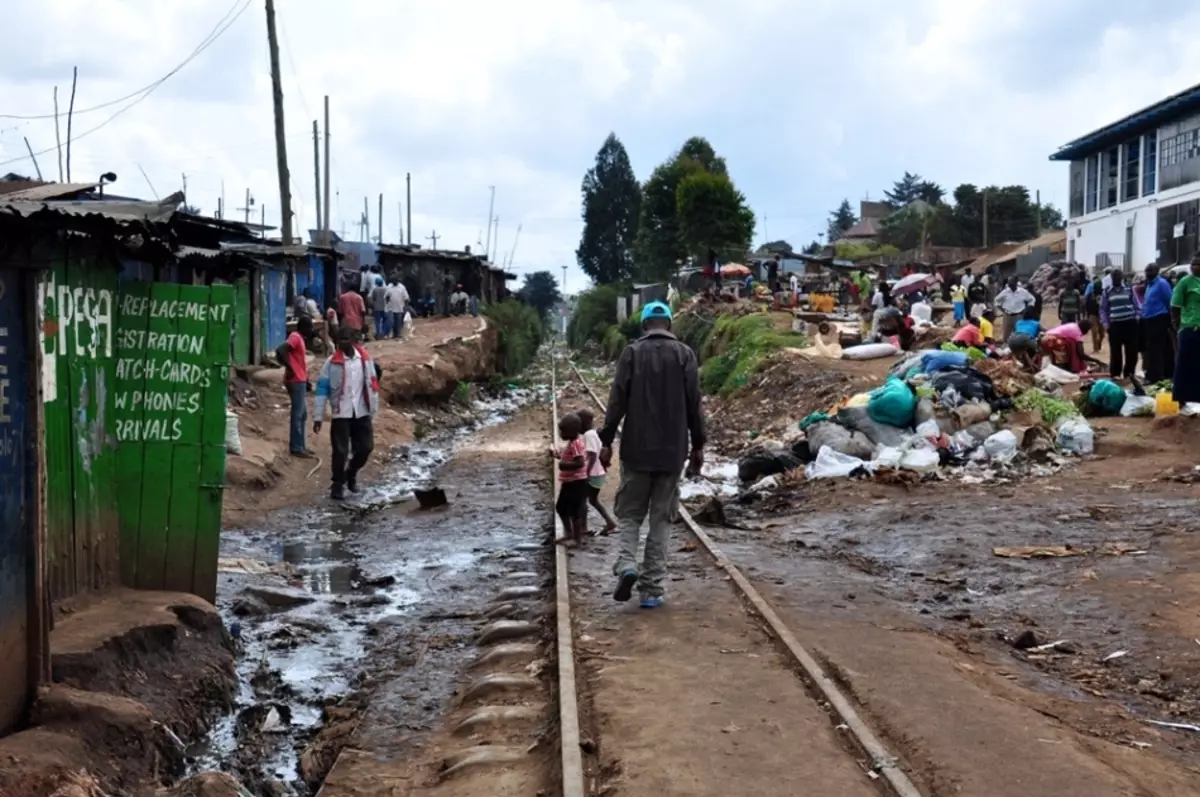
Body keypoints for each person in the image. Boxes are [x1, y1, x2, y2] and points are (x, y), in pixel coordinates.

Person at [599, 301, 704, 609]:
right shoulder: (685, 355)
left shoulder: (631, 353)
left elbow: (616, 400)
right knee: (661, 519)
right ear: (668, 324)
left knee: (630, 514)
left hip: (636, 449)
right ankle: (652, 589)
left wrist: (606, 441)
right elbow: (694, 405)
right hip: (672, 453)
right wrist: (698, 445)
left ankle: (627, 564)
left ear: (645, 325)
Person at [313, 327, 380, 500]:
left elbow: (373, 383)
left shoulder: (365, 359)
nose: (342, 343)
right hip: (341, 412)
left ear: (353, 339)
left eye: (345, 339)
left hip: (362, 411)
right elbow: (322, 389)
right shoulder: (331, 363)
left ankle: (351, 472)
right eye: (339, 339)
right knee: (340, 451)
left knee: (366, 447)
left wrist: (374, 407)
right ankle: (337, 484)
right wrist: (318, 416)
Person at [277, 316, 315, 458]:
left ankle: (301, 445)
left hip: (300, 379)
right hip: (295, 380)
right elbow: (281, 350)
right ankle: (296, 447)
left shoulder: (299, 338)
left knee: (302, 414)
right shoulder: (295, 337)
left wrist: (307, 379)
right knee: (298, 414)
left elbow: (299, 362)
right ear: (304, 327)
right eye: (310, 327)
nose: (311, 330)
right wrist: (290, 368)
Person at [576, 408, 617, 535]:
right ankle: (610, 522)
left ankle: (583, 527)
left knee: (582, 499)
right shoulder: (592, 433)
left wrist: (586, 473)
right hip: (598, 473)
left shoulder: (588, 435)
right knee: (593, 500)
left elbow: (593, 455)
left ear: (583, 424)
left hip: (593, 474)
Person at [552, 412, 589, 546]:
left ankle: (577, 538)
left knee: (574, 511)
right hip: (569, 482)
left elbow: (580, 463)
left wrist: (563, 465)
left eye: (562, 430)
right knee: (561, 508)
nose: (561, 433)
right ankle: (568, 533)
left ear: (572, 431)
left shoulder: (576, 444)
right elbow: (571, 457)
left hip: (576, 482)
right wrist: (559, 456)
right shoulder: (573, 442)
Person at [1171, 254, 1200, 404]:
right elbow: (1175, 306)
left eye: (1197, 264)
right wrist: (1177, 326)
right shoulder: (1185, 282)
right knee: (1184, 364)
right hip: (1189, 328)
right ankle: (1181, 399)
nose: (1194, 267)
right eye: (1192, 264)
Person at [1100, 270, 1140, 379]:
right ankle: (1116, 375)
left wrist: (1137, 318)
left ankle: (1129, 375)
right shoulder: (1107, 292)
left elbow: (1136, 305)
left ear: (1122, 277)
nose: (1116, 278)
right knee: (1115, 353)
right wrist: (1106, 325)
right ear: (1111, 278)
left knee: (1132, 352)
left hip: (1130, 324)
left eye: (1118, 276)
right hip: (1115, 325)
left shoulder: (1129, 289)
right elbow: (1103, 309)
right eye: (1114, 276)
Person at [1140, 264, 1175, 383]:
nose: (1147, 272)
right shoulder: (1149, 284)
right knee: (1158, 347)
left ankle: (1154, 376)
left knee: (1154, 348)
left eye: (1150, 270)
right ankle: (1165, 373)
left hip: (1159, 319)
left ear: (1157, 271)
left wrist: (1171, 319)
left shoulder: (1162, 284)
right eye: (1146, 270)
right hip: (1149, 320)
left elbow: (1170, 301)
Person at [1084, 275, 1105, 353]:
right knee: (1094, 332)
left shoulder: (1104, 295)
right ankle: (1095, 348)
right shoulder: (1090, 295)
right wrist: (1088, 314)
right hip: (1093, 315)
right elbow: (1086, 304)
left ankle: (1099, 343)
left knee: (1102, 333)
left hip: (1101, 315)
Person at [369, 276, 389, 340]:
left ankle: (378, 333)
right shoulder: (386, 289)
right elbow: (388, 298)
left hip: (377, 308)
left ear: (376, 283)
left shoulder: (375, 290)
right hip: (384, 307)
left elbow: (373, 298)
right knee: (384, 320)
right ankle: (383, 333)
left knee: (377, 321)